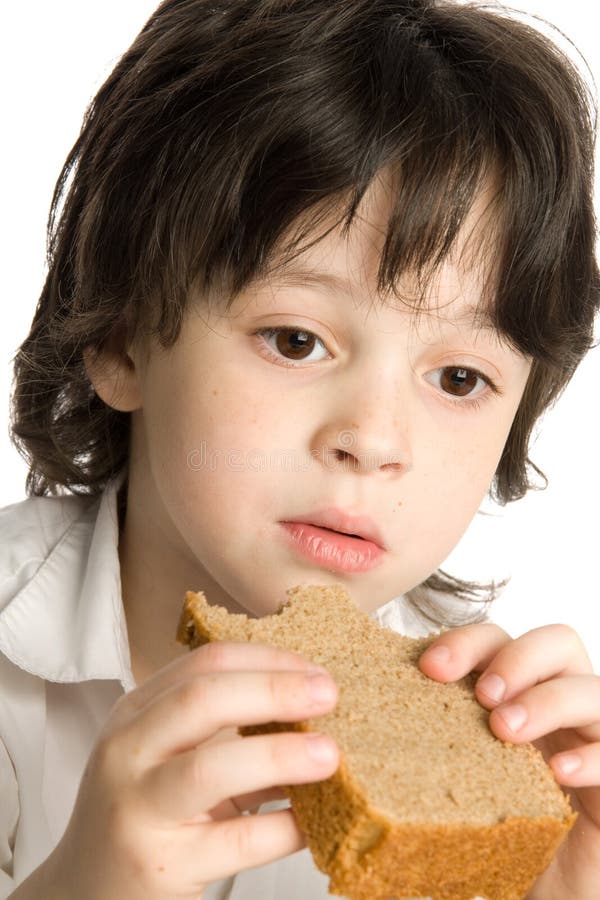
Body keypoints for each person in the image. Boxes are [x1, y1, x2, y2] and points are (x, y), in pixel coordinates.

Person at [1, 0, 599, 897]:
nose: (373, 440)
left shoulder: (507, 749)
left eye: (460, 380)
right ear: (124, 338)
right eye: (294, 340)